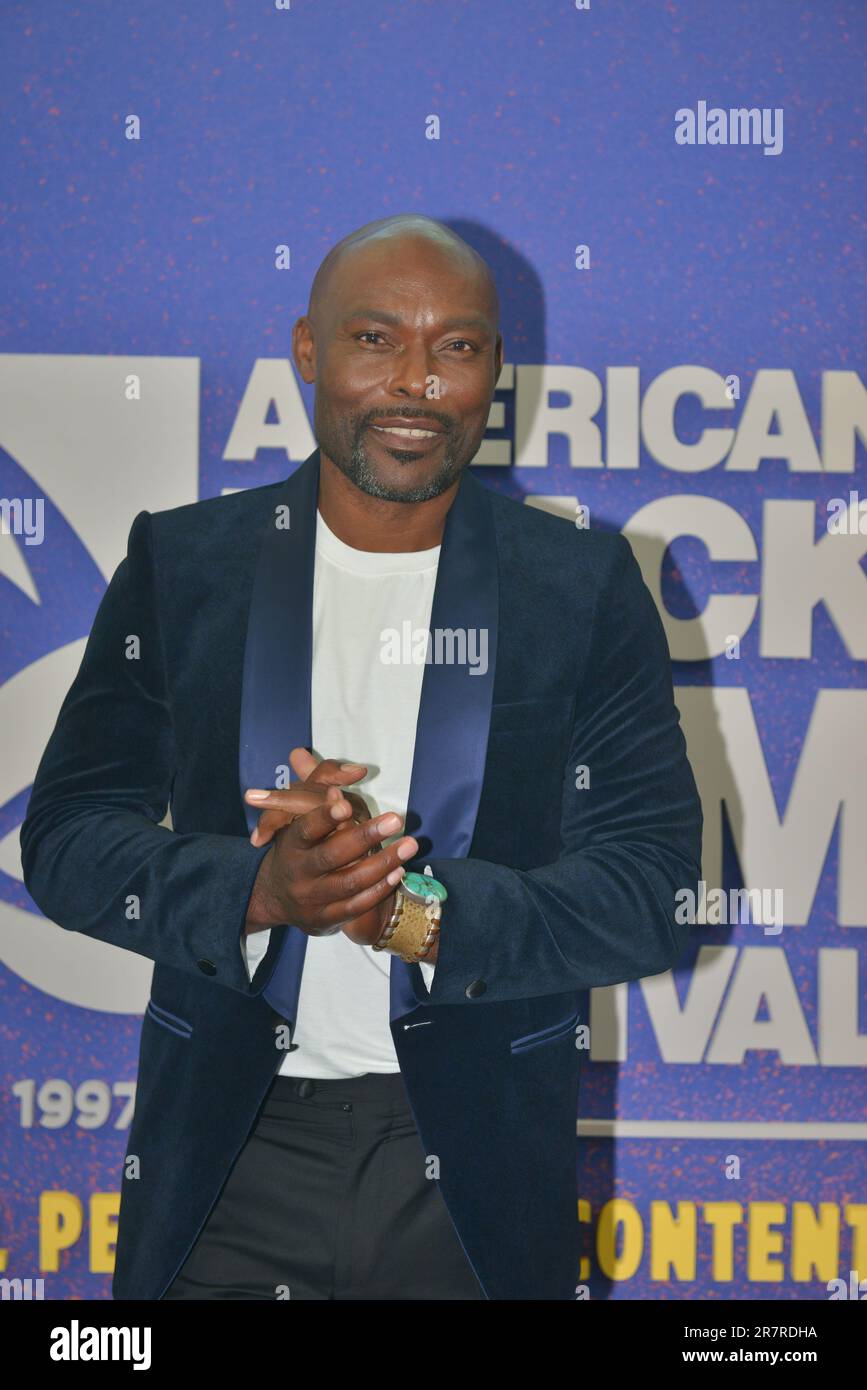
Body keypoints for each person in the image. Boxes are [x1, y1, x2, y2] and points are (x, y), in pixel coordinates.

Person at [20, 213, 703, 1301]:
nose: (418, 383)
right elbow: (63, 840)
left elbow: (653, 894)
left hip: (471, 1176)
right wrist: (258, 889)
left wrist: (408, 913)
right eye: (376, 339)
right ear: (308, 351)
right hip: (227, 1161)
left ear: (495, 370)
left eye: (459, 347)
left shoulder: (577, 587)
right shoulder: (186, 564)